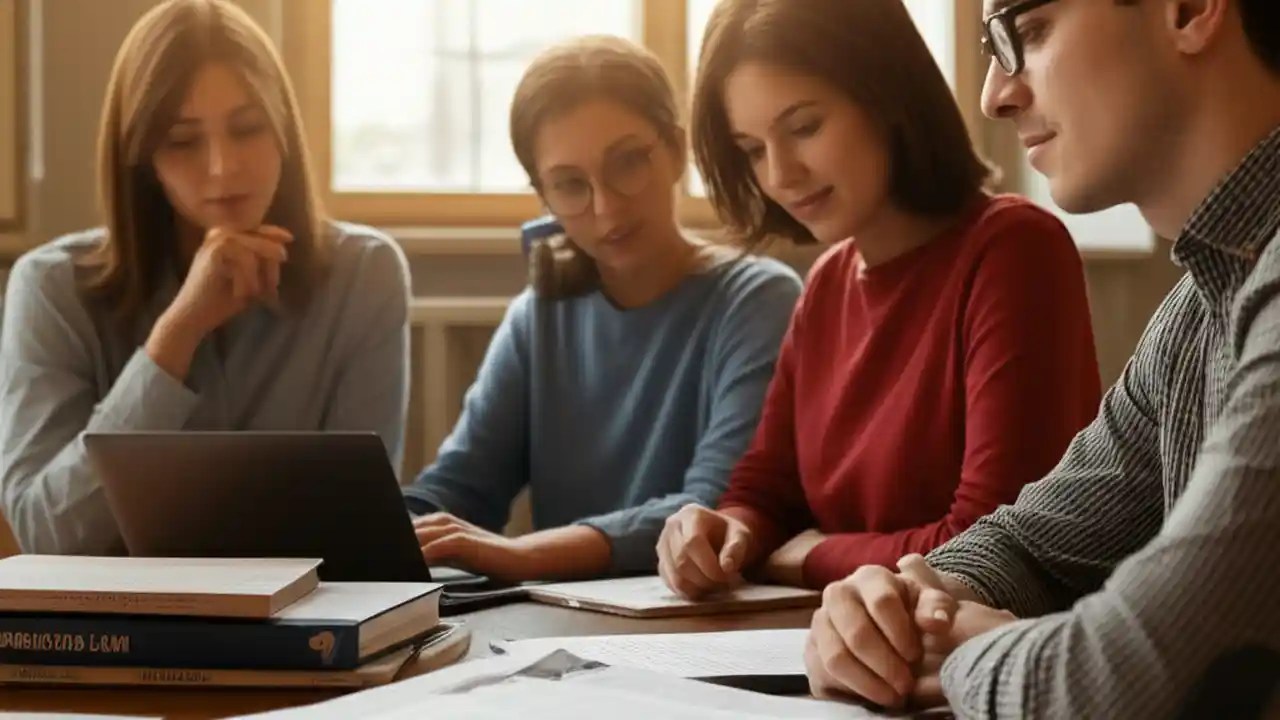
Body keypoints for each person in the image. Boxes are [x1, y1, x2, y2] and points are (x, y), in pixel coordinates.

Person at [803, 0, 1280, 717]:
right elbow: (1033, 544)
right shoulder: (1195, 311)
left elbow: (1124, 680)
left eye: (1028, 31)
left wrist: (975, 652)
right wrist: (899, 603)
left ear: (1188, 10)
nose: (996, 94)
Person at [655, 0, 1101, 597]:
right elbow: (768, 491)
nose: (780, 175)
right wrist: (723, 531)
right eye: (753, 150)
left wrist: (813, 558)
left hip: (972, 657)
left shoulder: (1014, 248)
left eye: (804, 126)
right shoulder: (827, 283)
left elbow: (988, 542)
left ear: (886, 94)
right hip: (832, 646)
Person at [0, 0, 410, 555]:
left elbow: (357, 529)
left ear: (284, 129)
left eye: (248, 128)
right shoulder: (50, 288)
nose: (223, 167)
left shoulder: (364, 274)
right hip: (120, 629)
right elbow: (46, 535)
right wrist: (175, 337)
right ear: (141, 156)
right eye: (184, 141)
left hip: (302, 628)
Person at [401, 36, 802, 583]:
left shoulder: (758, 299)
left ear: (678, 150)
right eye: (570, 185)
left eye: (628, 162)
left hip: (700, 618)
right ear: (542, 196)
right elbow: (457, 489)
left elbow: (715, 509)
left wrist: (522, 555)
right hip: (564, 623)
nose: (607, 207)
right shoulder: (540, 316)